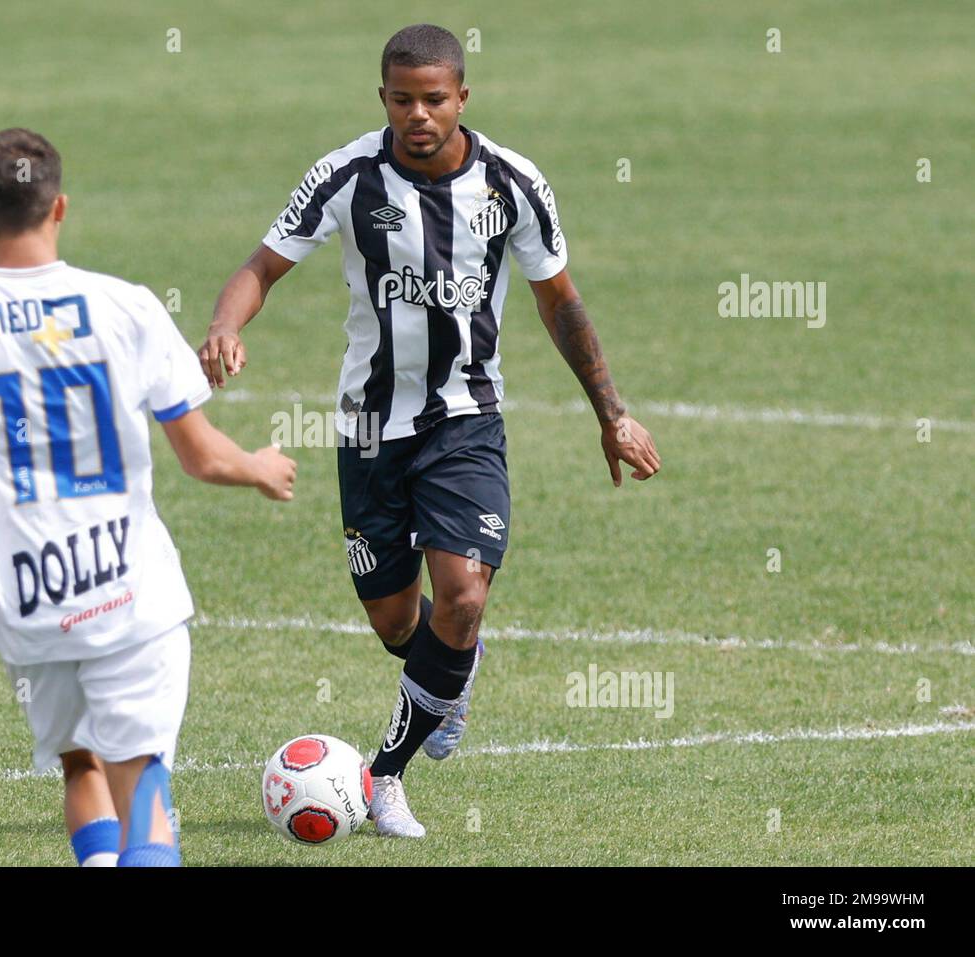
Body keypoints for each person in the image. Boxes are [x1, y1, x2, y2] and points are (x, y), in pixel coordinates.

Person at [200, 25, 660, 838]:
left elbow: (562, 302)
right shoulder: (345, 176)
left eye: (435, 99)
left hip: (465, 422)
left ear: (462, 98)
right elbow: (261, 266)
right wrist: (224, 327)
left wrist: (611, 411)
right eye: (403, 99)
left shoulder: (512, 184)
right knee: (395, 621)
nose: (419, 114)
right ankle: (454, 666)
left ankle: (382, 779)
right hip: (371, 427)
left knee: (464, 593)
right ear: (382, 98)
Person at [0, 128, 296, 866]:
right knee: (142, 778)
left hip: (25, 600)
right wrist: (257, 466)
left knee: (80, 761)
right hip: (130, 593)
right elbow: (199, 456)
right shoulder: (124, 307)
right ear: (59, 205)